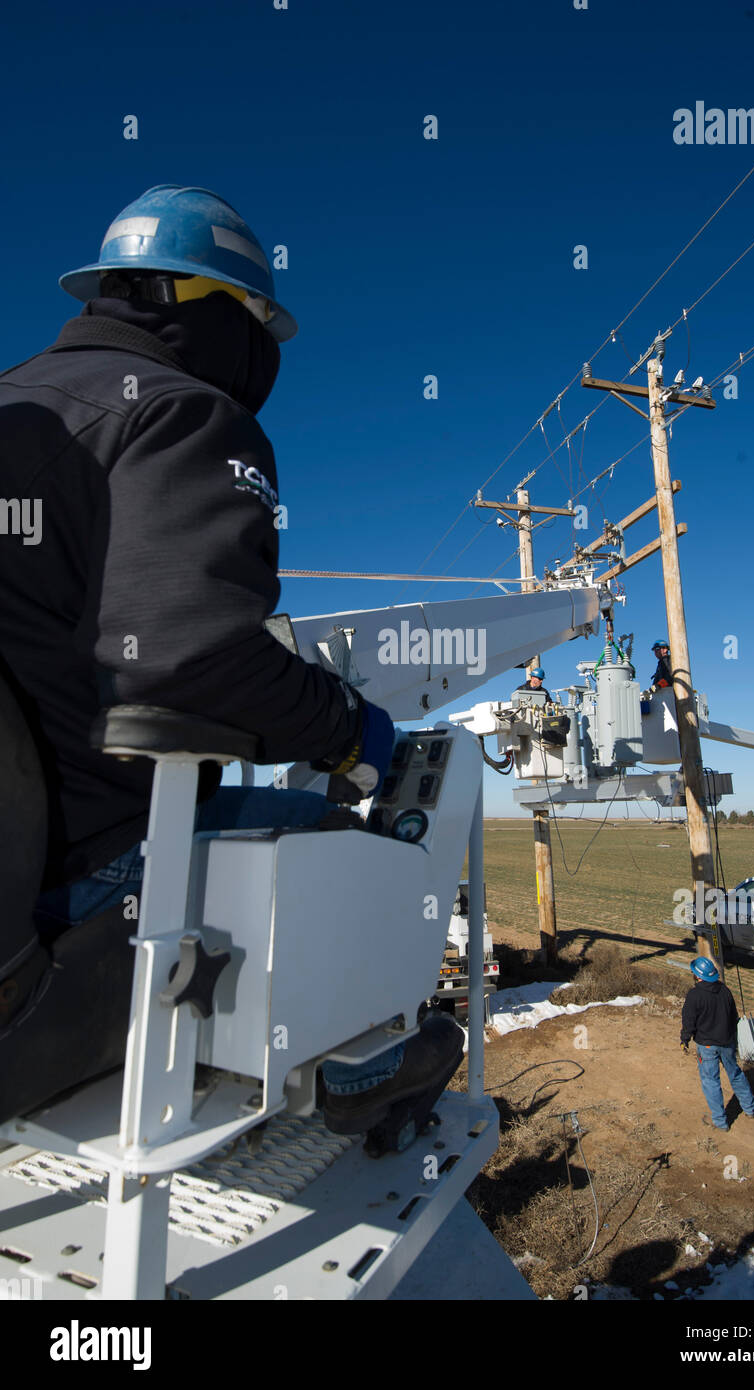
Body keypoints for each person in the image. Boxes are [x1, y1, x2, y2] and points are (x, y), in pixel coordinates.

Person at [0, 183, 462, 1133]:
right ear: (214, 305)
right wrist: (350, 731)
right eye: (265, 324)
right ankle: (344, 1069)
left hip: (16, 861)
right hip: (79, 860)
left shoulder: (23, 407)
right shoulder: (180, 414)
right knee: (347, 843)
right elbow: (191, 657)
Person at [680, 957, 754, 1130]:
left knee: (711, 1081)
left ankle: (720, 1122)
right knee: (736, 1074)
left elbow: (689, 1021)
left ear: (697, 976)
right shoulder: (725, 991)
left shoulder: (695, 995)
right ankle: (750, 1108)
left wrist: (684, 1039)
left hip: (707, 1045)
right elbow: (733, 1017)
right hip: (727, 1042)